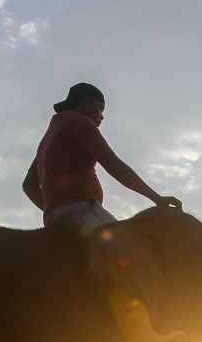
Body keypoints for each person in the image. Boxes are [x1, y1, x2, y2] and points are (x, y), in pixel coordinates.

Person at [23, 82, 182, 235]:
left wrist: (52, 207)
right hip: (80, 209)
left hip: (54, 215)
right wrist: (157, 198)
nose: (102, 116)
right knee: (127, 249)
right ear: (85, 103)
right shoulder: (79, 122)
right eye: (100, 108)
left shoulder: (49, 136)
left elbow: (28, 185)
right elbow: (115, 166)